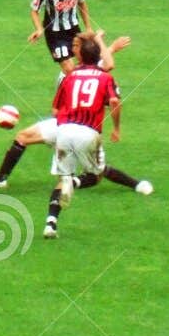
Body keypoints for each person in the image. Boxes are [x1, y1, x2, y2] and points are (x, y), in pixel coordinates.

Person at [0, 32, 151, 195]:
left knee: (98, 171)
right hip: (64, 123)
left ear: (83, 50)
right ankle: (0, 179)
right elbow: (102, 64)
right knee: (23, 136)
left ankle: (135, 184)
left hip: (81, 127)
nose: (71, 48)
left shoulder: (76, 72)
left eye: (75, 45)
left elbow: (106, 65)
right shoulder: (77, 69)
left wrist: (101, 42)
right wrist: (108, 46)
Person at [41, 37, 122, 239]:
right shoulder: (105, 78)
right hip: (88, 132)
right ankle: (75, 183)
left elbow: (54, 109)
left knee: (62, 180)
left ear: (80, 55)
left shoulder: (69, 76)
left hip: (65, 131)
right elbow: (114, 101)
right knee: (96, 175)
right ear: (98, 57)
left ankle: (50, 224)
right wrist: (116, 128)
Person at [29, 0, 92, 71]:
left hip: (74, 29)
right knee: (68, 67)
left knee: (86, 63)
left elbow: (82, 3)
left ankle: (67, 84)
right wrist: (39, 29)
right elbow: (34, 10)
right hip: (54, 33)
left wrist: (88, 28)